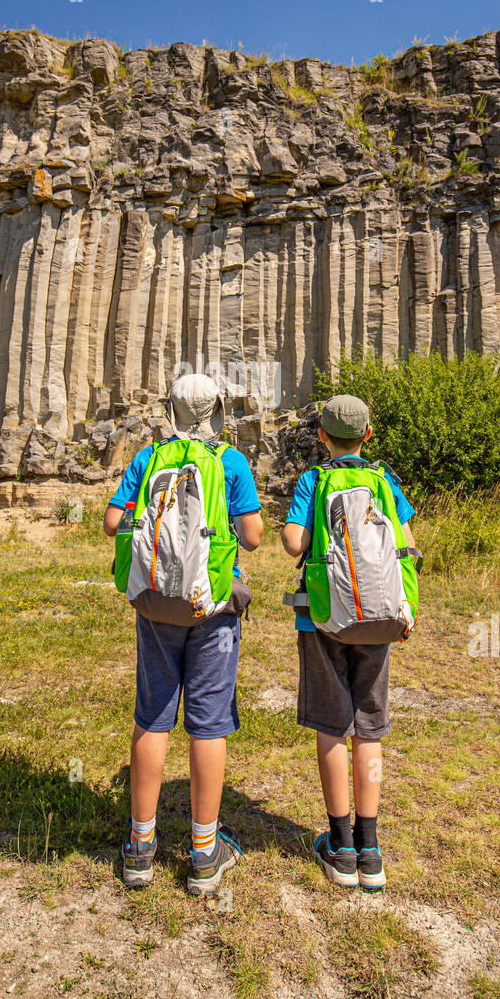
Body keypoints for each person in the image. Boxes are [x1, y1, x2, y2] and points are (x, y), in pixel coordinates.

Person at [103, 373, 263, 894]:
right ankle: (202, 852)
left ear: (170, 410)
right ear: (216, 410)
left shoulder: (149, 458)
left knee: (152, 717)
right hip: (212, 608)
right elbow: (255, 538)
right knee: (208, 723)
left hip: (154, 606)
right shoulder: (230, 462)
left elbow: (111, 522)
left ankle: (140, 848)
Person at [280, 395, 418, 891]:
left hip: (324, 618)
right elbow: (405, 542)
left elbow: (295, 542)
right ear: (368, 435)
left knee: (332, 724)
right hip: (378, 618)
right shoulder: (385, 480)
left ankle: (340, 846)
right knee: (370, 728)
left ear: (322, 437)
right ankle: (372, 849)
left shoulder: (313, 481)